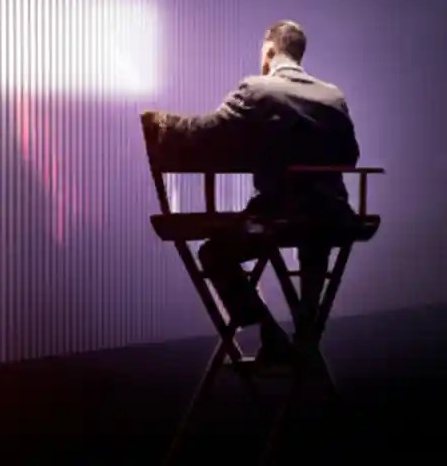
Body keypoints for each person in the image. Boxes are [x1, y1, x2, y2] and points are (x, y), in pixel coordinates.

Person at [144, 19, 360, 365]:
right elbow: (350, 156)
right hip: (335, 216)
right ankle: (306, 330)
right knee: (314, 234)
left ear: (271, 51)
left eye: (263, 53)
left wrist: (162, 126)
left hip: (282, 218)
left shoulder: (258, 89)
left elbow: (206, 134)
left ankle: (269, 333)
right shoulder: (333, 95)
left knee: (215, 255)